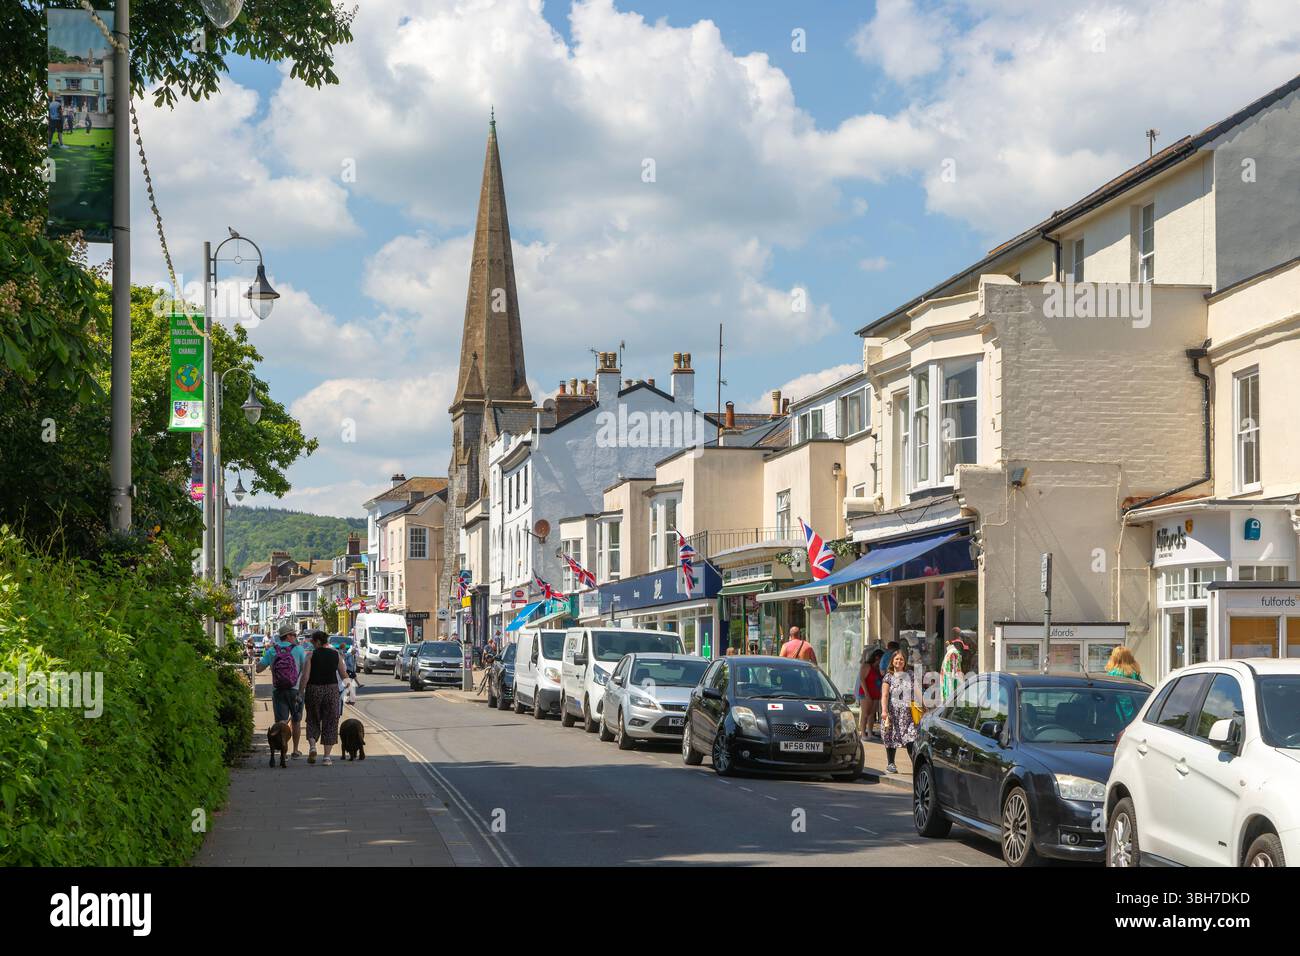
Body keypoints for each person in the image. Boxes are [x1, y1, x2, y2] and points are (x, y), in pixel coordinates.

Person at [256, 622, 308, 759]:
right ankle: (295, 751)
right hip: (295, 690)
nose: (296, 637)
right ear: (288, 636)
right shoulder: (299, 650)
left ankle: (282, 752)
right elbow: (305, 670)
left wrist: (272, 667)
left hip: (278, 690)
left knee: (281, 722)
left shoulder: (272, 650)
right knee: (296, 722)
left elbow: (258, 668)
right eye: (294, 635)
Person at [299, 630, 350, 765]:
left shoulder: (310, 655)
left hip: (313, 689)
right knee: (330, 722)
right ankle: (327, 757)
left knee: (312, 719)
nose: (312, 645)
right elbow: (344, 674)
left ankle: (313, 747)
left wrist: (300, 692)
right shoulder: (336, 655)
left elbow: (305, 677)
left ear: (317, 642)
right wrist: (350, 690)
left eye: (312, 642)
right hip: (331, 690)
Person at [879, 651, 918, 774]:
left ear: (905, 662)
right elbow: (884, 695)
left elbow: (917, 691)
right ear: (892, 661)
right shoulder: (888, 676)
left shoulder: (910, 674)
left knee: (911, 738)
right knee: (890, 737)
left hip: (908, 713)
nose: (899, 661)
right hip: (893, 713)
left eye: (901, 659)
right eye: (896, 659)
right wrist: (884, 711)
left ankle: (916, 766)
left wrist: (924, 706)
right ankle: (891, 763)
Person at [1106, 646, 1144, 722]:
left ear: (1114, 658)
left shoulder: (1111, 674)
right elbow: (1142, 690)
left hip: (1116, 709)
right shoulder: (1134, 674)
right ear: (1130, 658)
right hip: (1135, 710)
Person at [859, 648, 883, 737]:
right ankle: (863, 733)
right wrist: (867, 694)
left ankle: (869, 732)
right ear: (877, 657)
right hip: (866, 693)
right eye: (882, 659)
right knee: (865, 713)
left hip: (875, 693)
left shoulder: (877, 668)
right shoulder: (866, 665)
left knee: (872, 714)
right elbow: (862, 679)